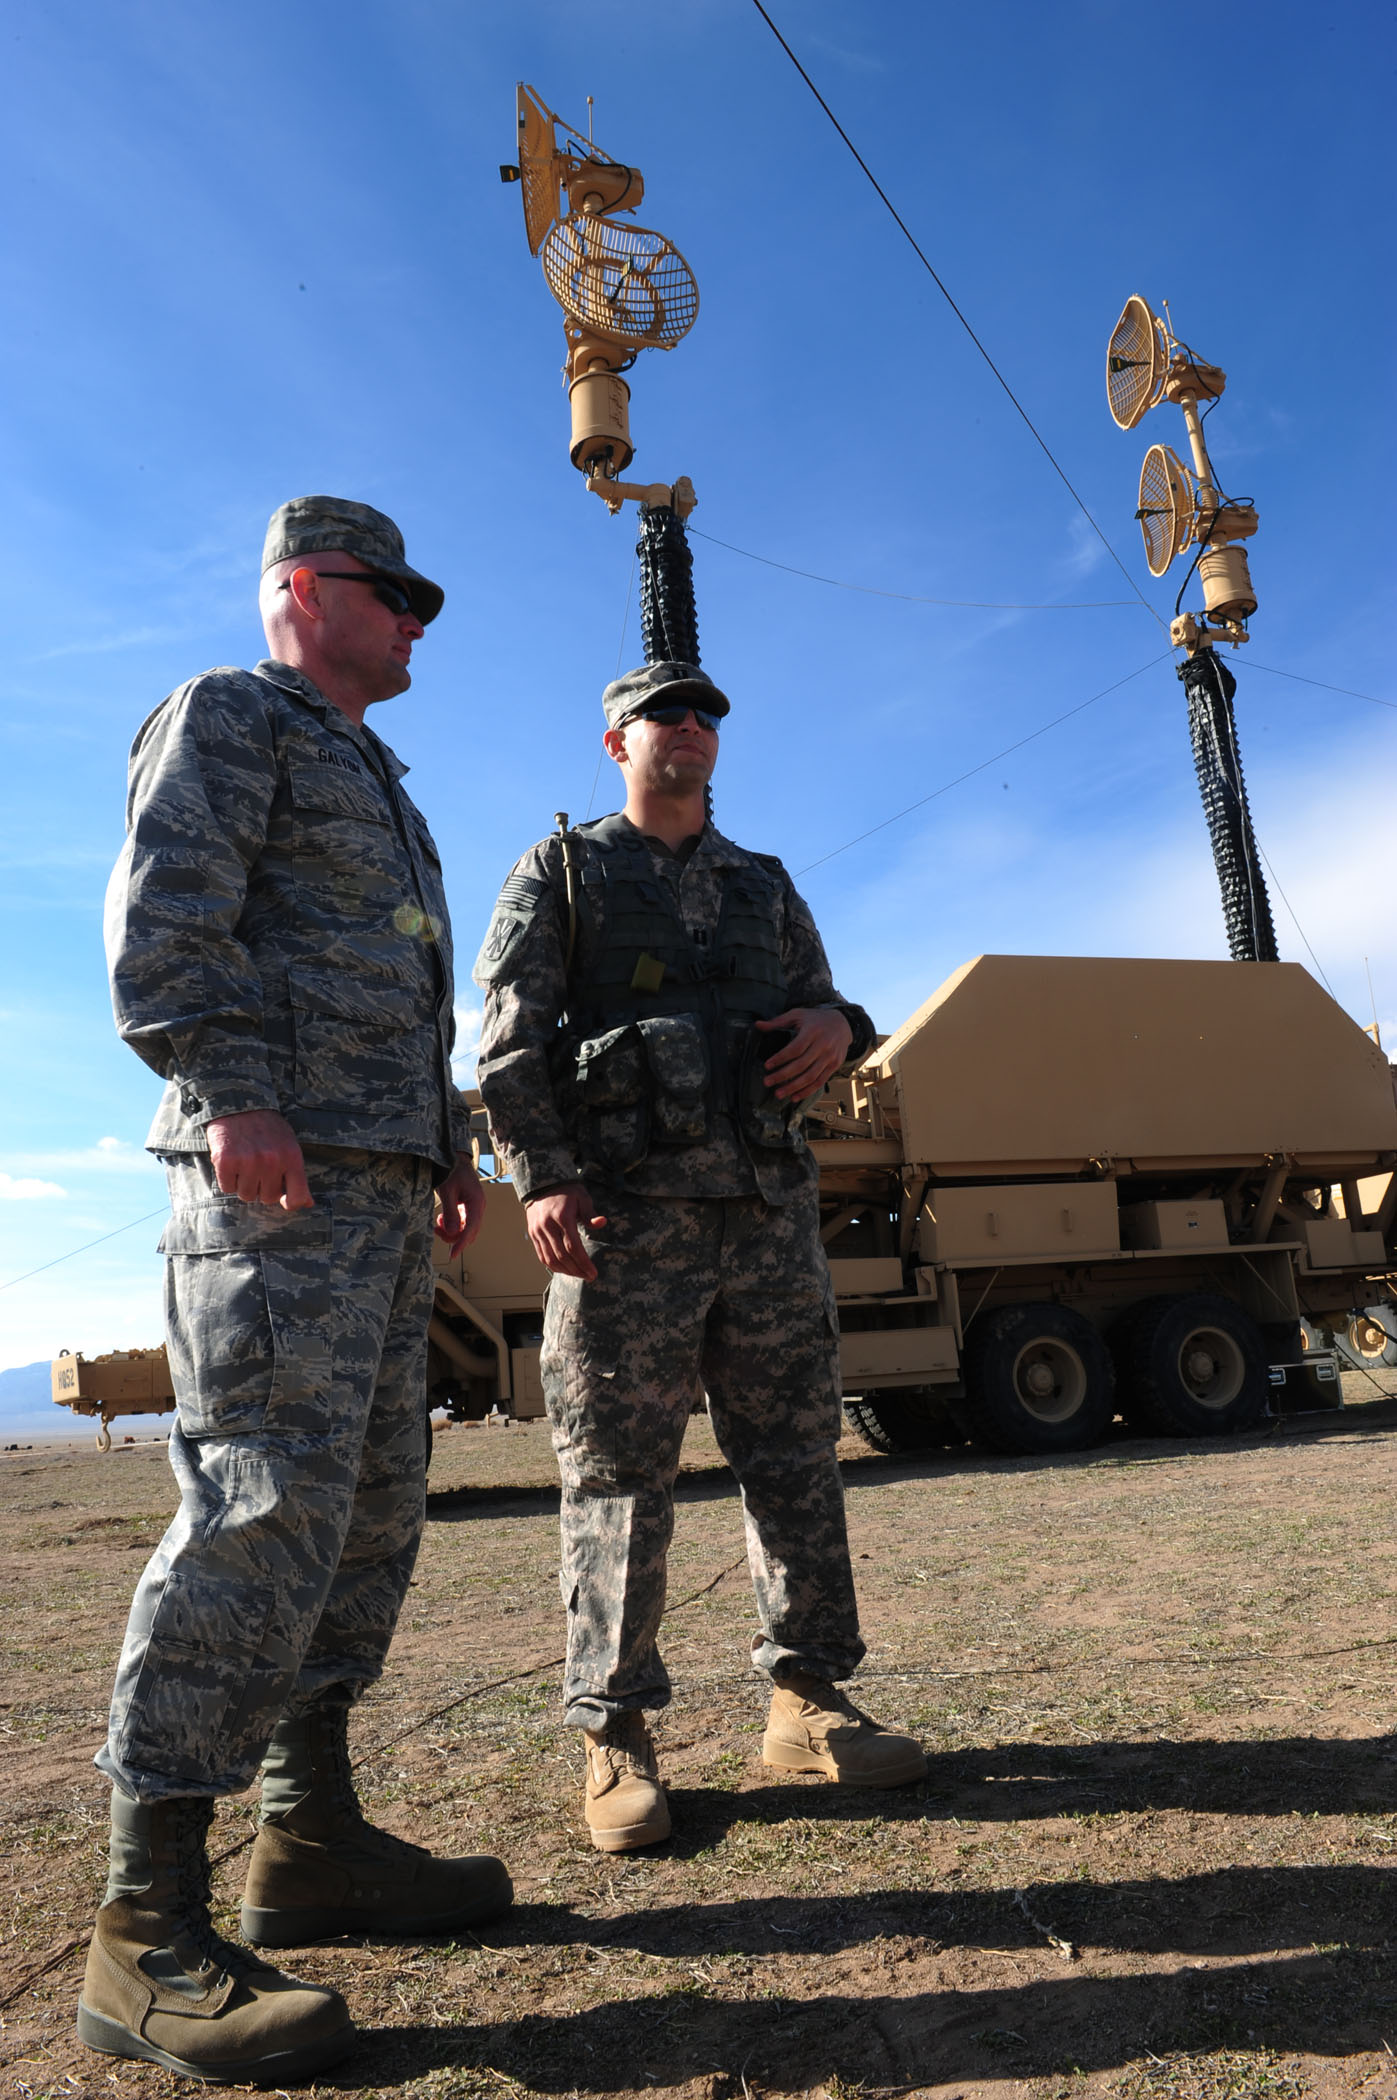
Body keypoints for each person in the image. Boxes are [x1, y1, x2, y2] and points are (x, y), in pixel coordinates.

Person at [79, 496, 511, 2085]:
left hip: (379, 1189)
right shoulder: (230, 714)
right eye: (396, 595)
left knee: (369, 1514)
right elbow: (168, 921)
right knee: (258, 1508)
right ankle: (141, 1934)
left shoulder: (377, 778)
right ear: (302, 591)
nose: (416, 622)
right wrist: (235, 1084)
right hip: (270, 1178)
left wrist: (443, 1139)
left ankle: (309, 1838)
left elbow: (397, 989)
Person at [474, 659, 926, 1855]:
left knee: (793, 1463)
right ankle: (614, 1734)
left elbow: (824, 1004)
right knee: (619, 1478)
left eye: (706, 715)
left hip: (767, 1216)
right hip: (625, 1224)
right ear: (615, 741)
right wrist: (544, 1176)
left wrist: (844, 1026)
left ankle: (806, 1700)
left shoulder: (761, 884)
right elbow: (508, 1036)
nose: (688, 727)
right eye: (662, 714)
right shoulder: (562, 871)